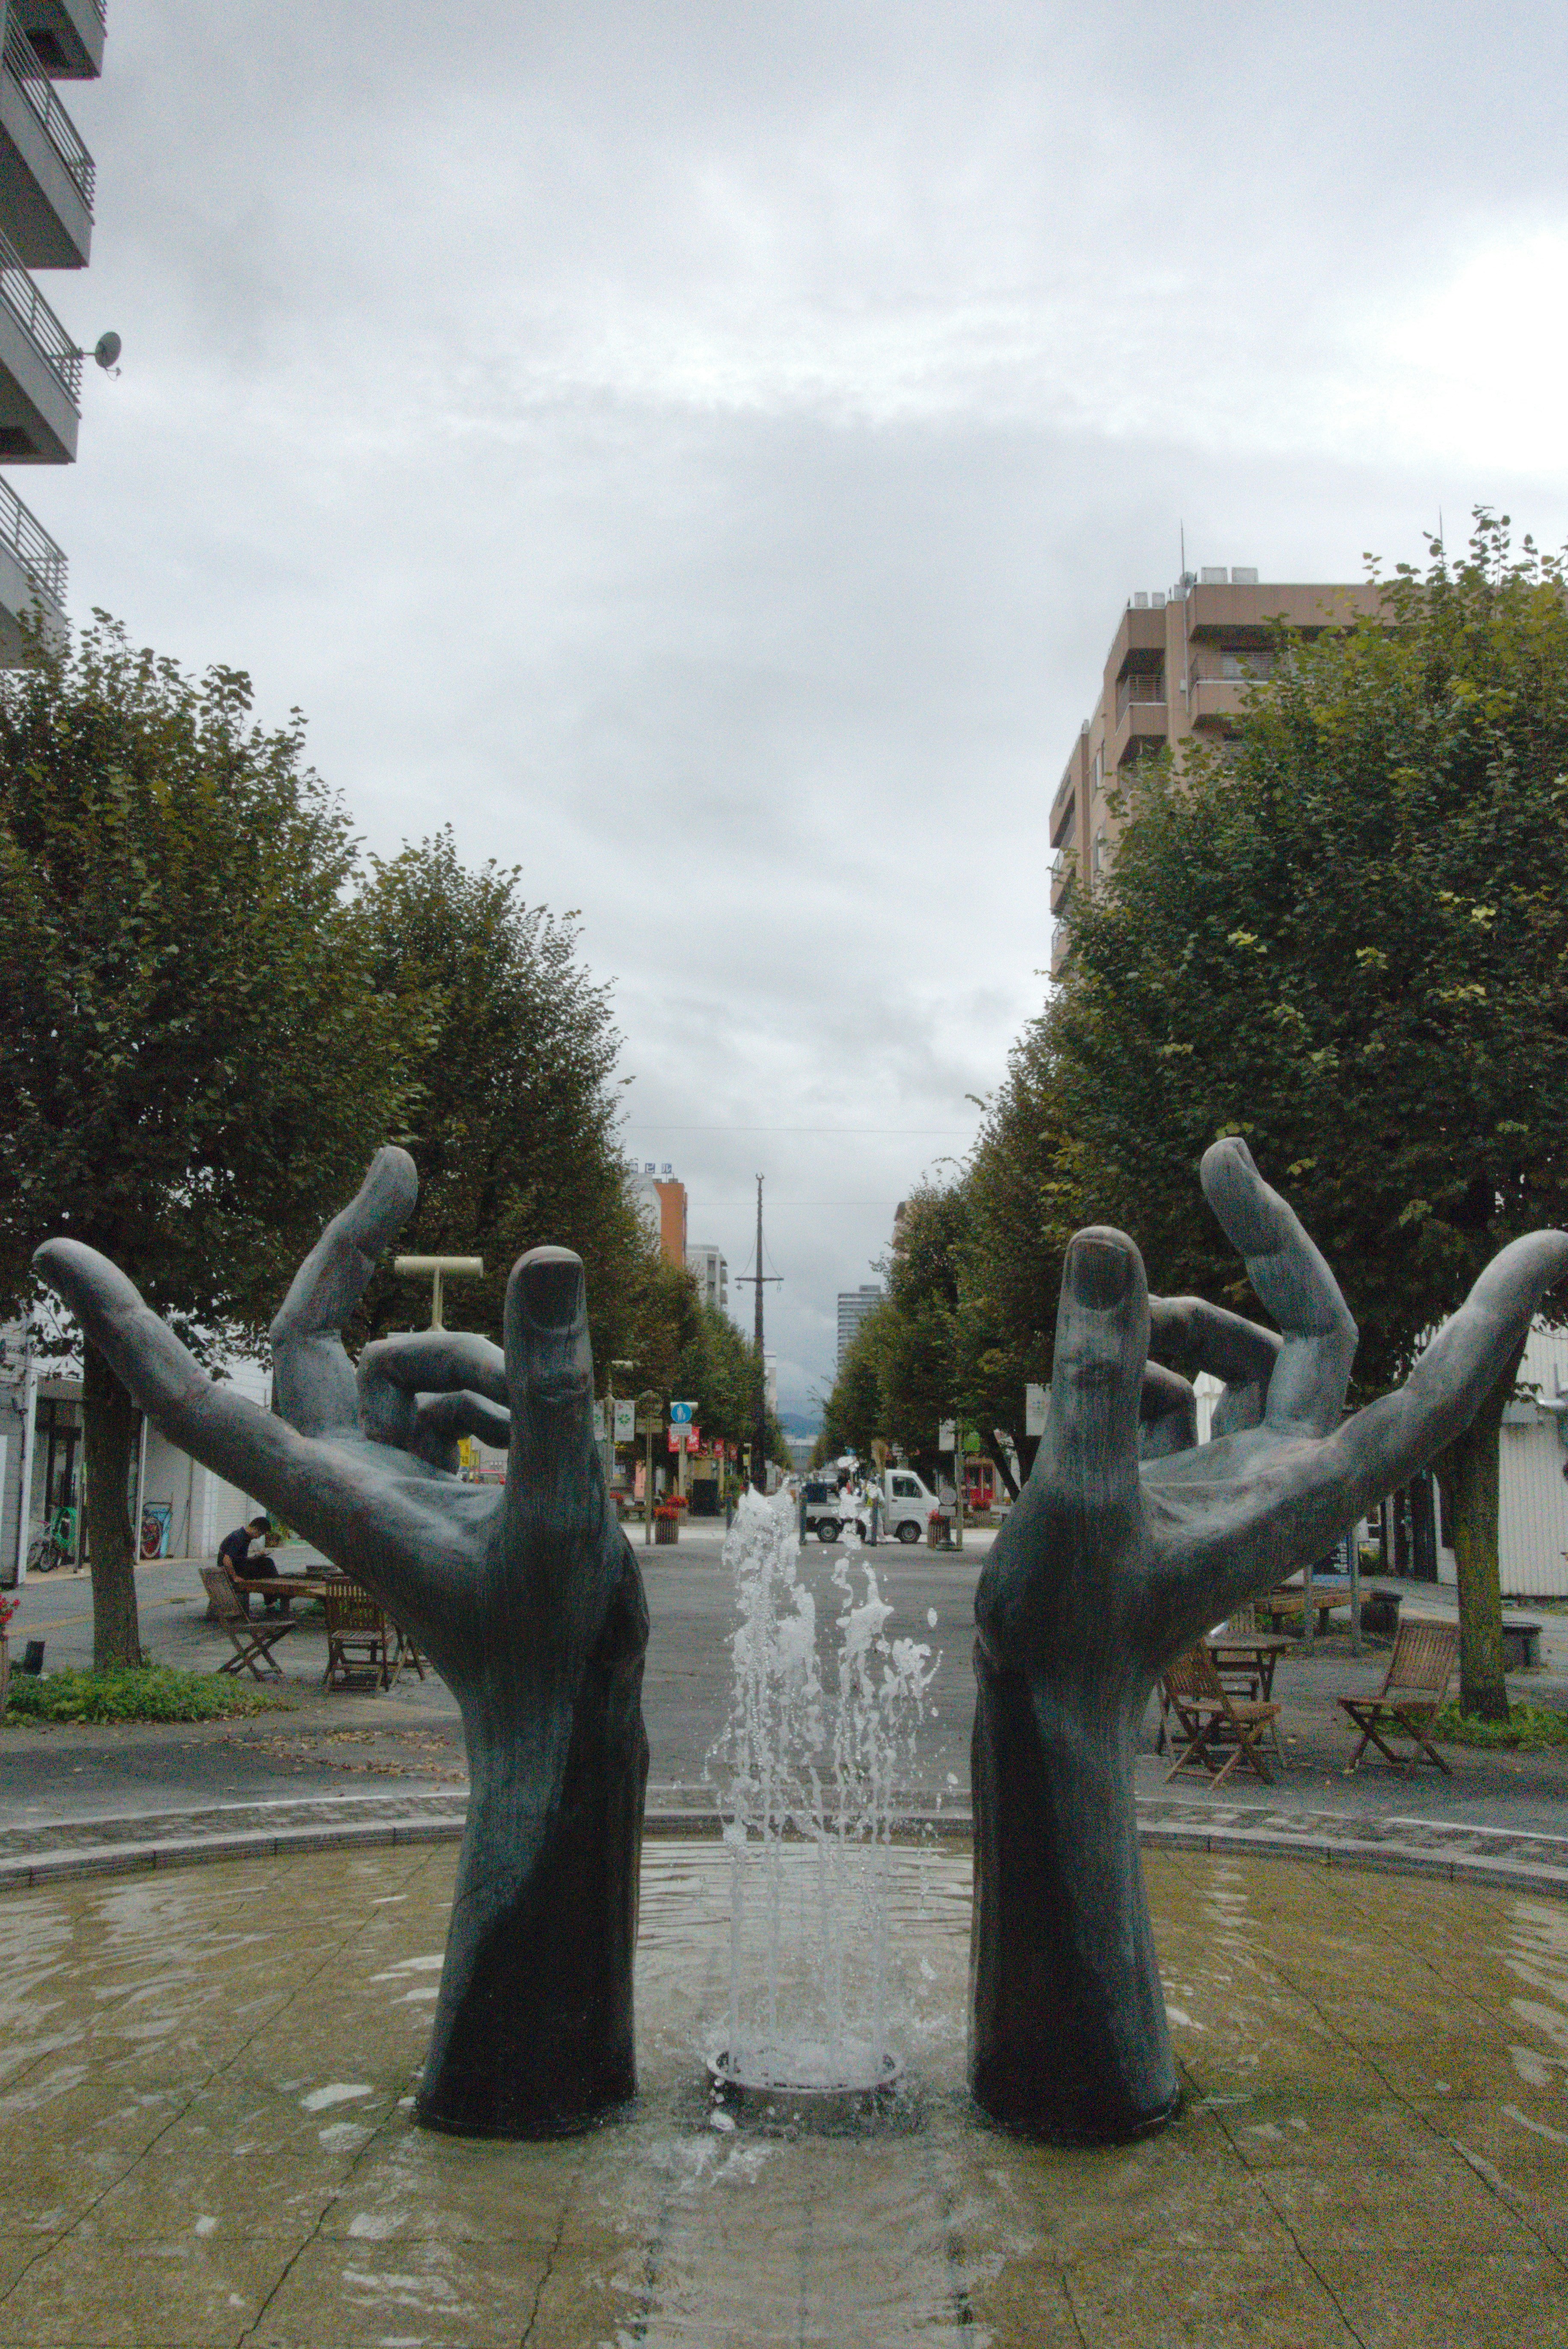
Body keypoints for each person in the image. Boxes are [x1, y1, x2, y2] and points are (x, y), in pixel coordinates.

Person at [218, 1515, 284, 1612]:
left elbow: (241, 1558)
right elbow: (227, 1559)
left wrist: (257, 1556)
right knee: (267, 1570)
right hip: (233, 1570)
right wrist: (235, 1577)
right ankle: (275, 1598)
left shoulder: (244, 1536)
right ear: (255, 1529)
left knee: (267, 1562)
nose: (258, 1537)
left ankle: (274, 1598)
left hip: (239, 1565)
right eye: (260, 1534)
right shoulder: (239, 1537)